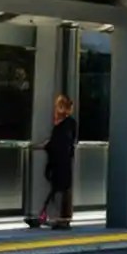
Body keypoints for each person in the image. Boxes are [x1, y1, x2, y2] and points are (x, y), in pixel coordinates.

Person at [38, 94, 78, 229]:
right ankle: (57, 216)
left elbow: (62, 142)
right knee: (59, 189)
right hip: (59, 161)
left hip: (61, 161)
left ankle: (57, 217)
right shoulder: (65, 124)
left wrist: (48, 145)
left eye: (60, 106)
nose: (57, 109)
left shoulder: (67, 124)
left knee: (59, 189)